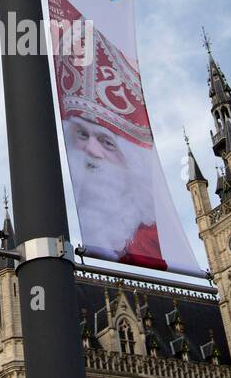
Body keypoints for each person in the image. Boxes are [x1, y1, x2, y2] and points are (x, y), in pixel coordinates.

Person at [63, 114, 166, 270]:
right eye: (83, 134)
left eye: (107, 142)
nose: (91, 150)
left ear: (134, 161)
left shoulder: (150, 244)